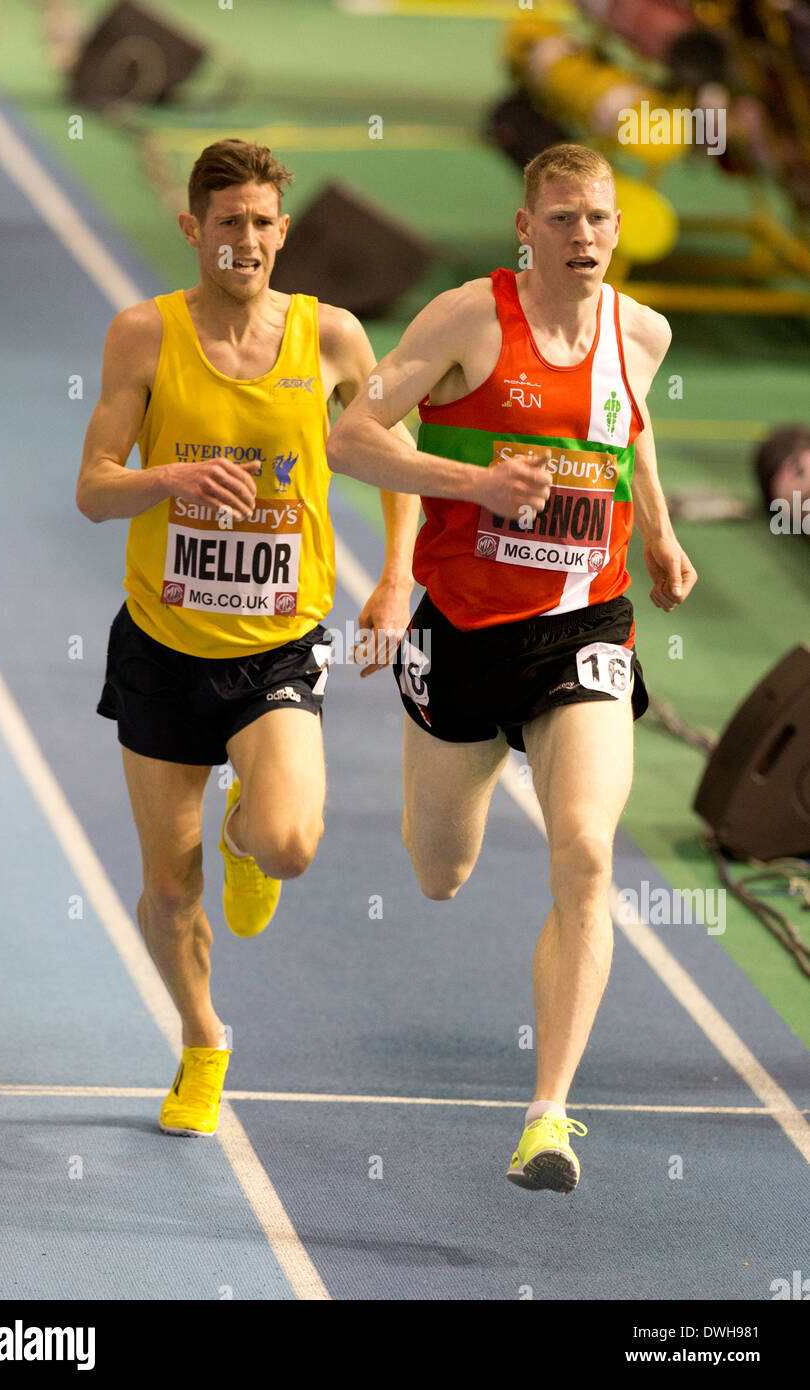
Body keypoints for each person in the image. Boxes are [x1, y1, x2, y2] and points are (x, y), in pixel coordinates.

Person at [328, 143, 697, 1194]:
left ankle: (547, 1116)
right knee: (437, 870)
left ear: (617, 230)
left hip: (584, 621)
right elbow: (350, 437)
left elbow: (630, 427)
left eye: (600, 220)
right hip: (464, 630)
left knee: (584, 848)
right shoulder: (466, 319)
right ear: (524, 230)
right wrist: (470, 483)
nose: (585, 237)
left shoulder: (640, 332)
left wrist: (658, 534)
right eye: (564, 219)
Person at [76, 139, 418, 1139]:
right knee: (166, 888)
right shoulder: (143, 336)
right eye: (229, 224)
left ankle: (245, 835)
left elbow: (397, 461)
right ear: (193, 229)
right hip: (160, 644)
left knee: (289, 842)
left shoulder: (333, 339)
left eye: (265, 223)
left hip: (275, 645)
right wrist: (166, 480)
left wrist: (396, 577)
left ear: (283, 231)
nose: (249, 240)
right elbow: (94, 488)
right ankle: (201, 1042)